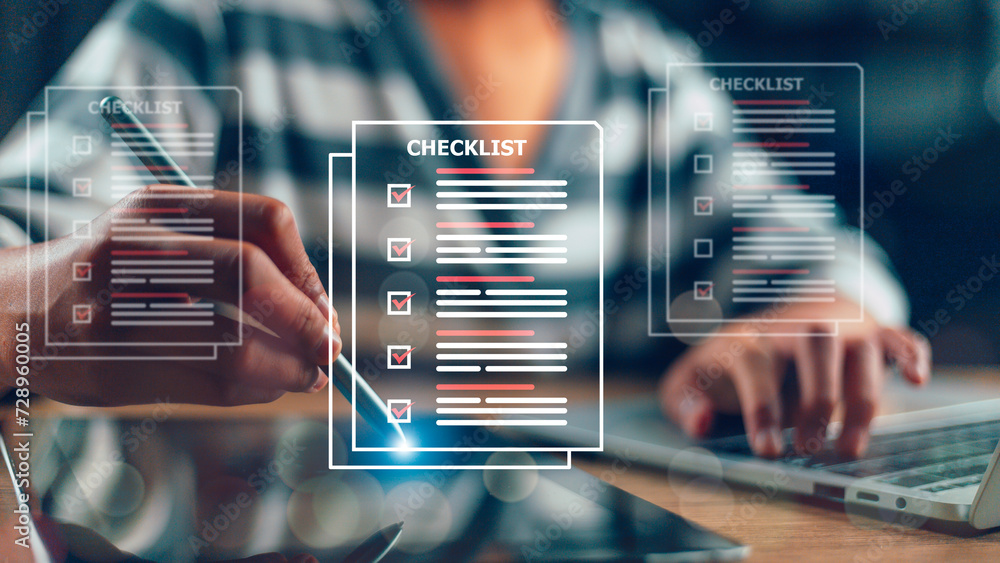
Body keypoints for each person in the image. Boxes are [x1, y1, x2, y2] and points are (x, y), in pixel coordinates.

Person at [0, 0, 929, 464]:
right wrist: (40, 305)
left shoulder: (643, 75)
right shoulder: (213, 28)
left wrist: (801, 325)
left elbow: (827, 262)